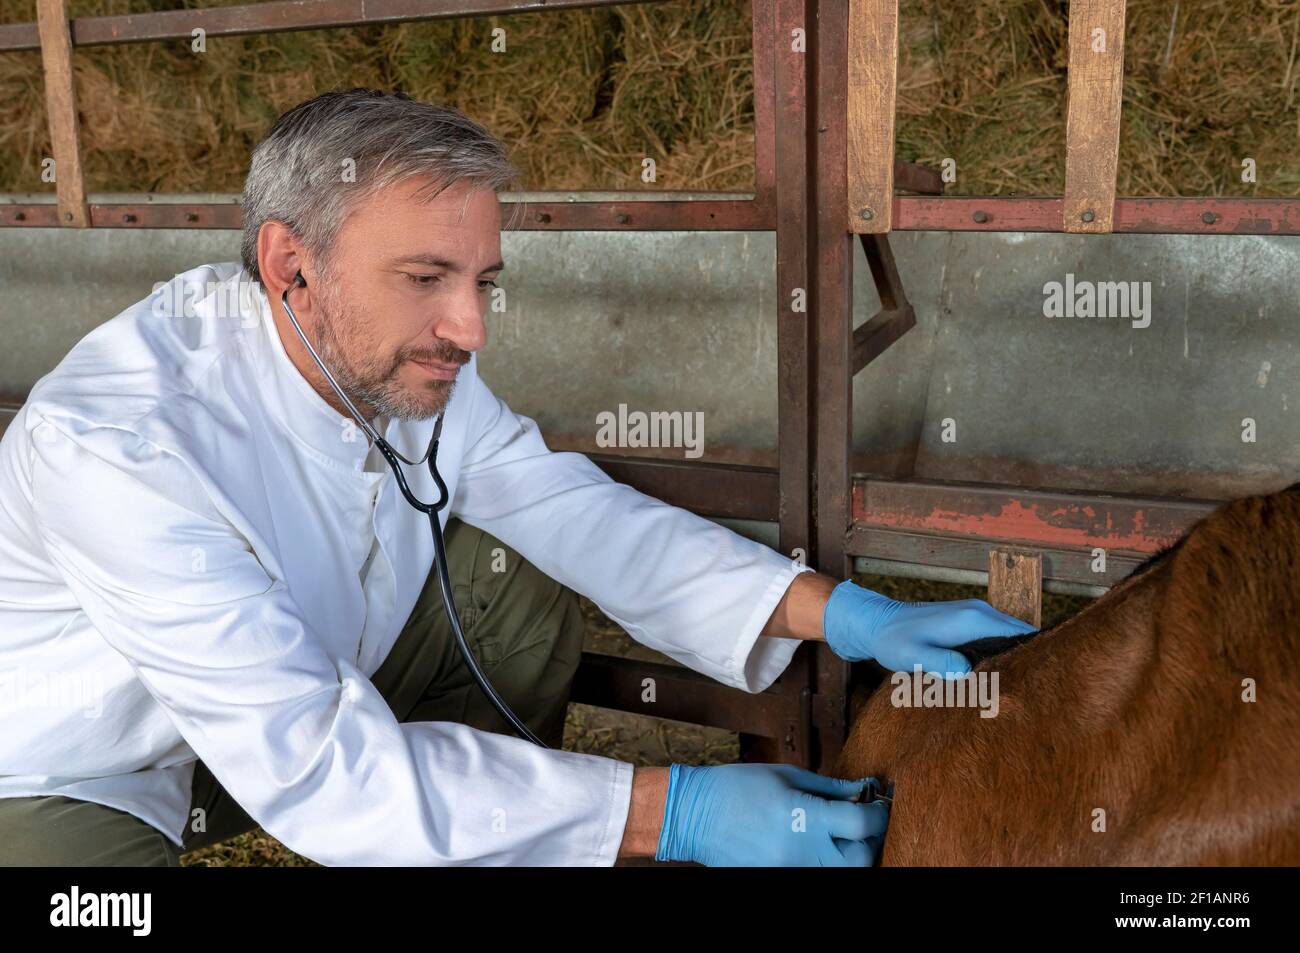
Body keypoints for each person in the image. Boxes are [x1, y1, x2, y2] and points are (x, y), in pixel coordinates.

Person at [0, 89, 1033, 866]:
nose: (470, 328)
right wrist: (673, 812)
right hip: (86, 767)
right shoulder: (119, 449)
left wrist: (835, 610)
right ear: (290, 264)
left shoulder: (378, 358)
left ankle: (477, 830)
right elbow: (317, 763)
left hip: (305, 681)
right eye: (425, 280)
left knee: (511, 572)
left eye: (482, 280)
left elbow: (562, 507)